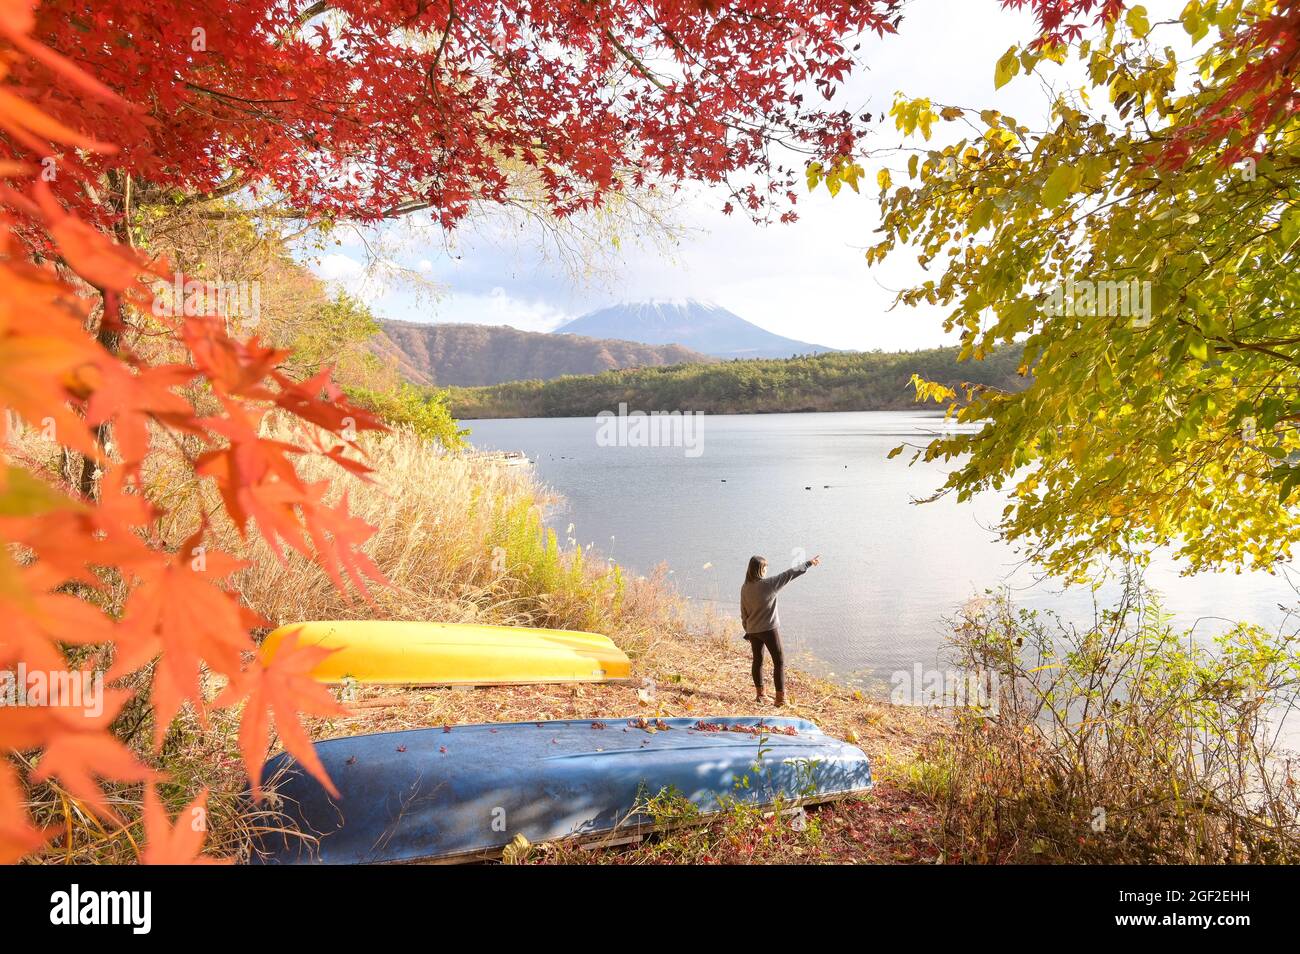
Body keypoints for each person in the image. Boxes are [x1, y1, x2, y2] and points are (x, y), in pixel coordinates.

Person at [740, 553, 820, 707]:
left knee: (758, 661)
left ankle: (760, 695)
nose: (766, 570)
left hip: (753, 630)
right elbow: (790, 574)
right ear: (760, 569)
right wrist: (809, 563)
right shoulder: (769, 584)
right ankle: (780, 700)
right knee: (779, 662)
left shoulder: (745, 588)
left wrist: (748, 630)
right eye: (765, 567)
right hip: (769, 629)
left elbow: (743, 612)